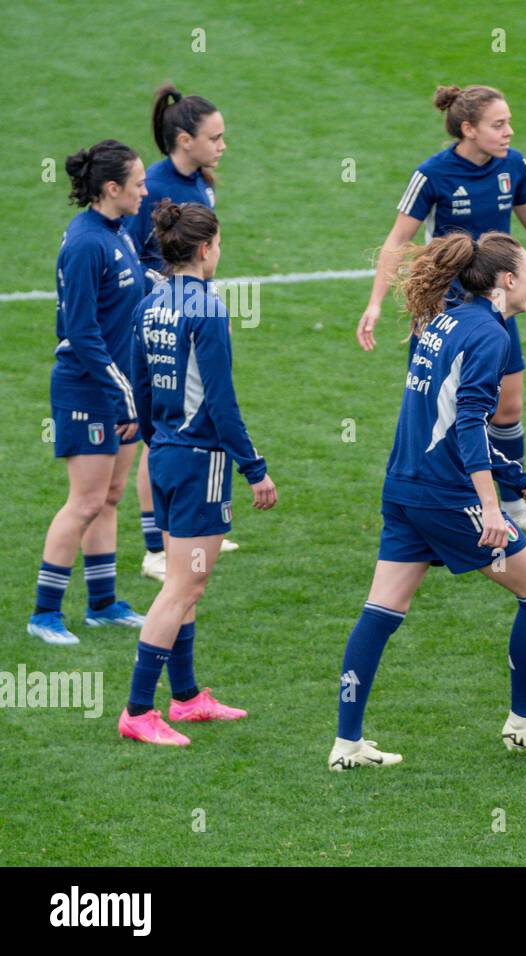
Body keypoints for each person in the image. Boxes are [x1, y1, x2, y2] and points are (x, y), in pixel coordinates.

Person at [330, 231, 526, 771]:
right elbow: (467, 423)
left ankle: (347, 744)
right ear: (506, 280)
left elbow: (443, 420)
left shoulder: (445, 318)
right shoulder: (491, 336)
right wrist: (493, 506)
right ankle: (524, 722)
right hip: (447, 497)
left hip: (404, 487)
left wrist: (514, 474)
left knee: (380, 613)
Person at [356, 84, 526, 537]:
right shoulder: (433, 174)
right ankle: (440, 500)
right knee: (439, 407)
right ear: (468, 129)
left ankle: (515, 506)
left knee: (507, 407)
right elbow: (397, 241)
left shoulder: (512, 165)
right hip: (445, 308)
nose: (509, 132)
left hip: (497, 306)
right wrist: (376, 302)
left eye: (508, 122)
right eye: (498, 124)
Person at [119, 200, 276, 747]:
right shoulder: (208, 308)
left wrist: (153, 436)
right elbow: (221, 400)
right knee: (184, 585)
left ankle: (184, 698)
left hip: (164, 455)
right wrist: (254, 467)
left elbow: (138, 380)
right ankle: (139, 710)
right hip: (199, 461)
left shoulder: (151, 301)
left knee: (185, 584)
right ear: (206, 248)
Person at [29, 141, 149, 646]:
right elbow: (81, 331)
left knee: (110, 496)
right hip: (88, 389)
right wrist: (123, 394)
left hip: (116, 389)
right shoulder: (85, 244)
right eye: (138, 183)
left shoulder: (115, 232)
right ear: (111, 188)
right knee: (83, 502)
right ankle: (44, 614)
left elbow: (128, 291)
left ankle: (102, 602)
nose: (146, 189)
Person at [127, 83, 234, 581]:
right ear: (184, 139)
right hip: (163, 312)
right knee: (166, 431)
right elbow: (130, 255)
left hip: (189, 305)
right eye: (214, 137)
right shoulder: (151, 184)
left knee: (187, 412)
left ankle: (192, 524)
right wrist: (167, 297)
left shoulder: (203, 182)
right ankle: (157, 543)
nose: (222, 146)